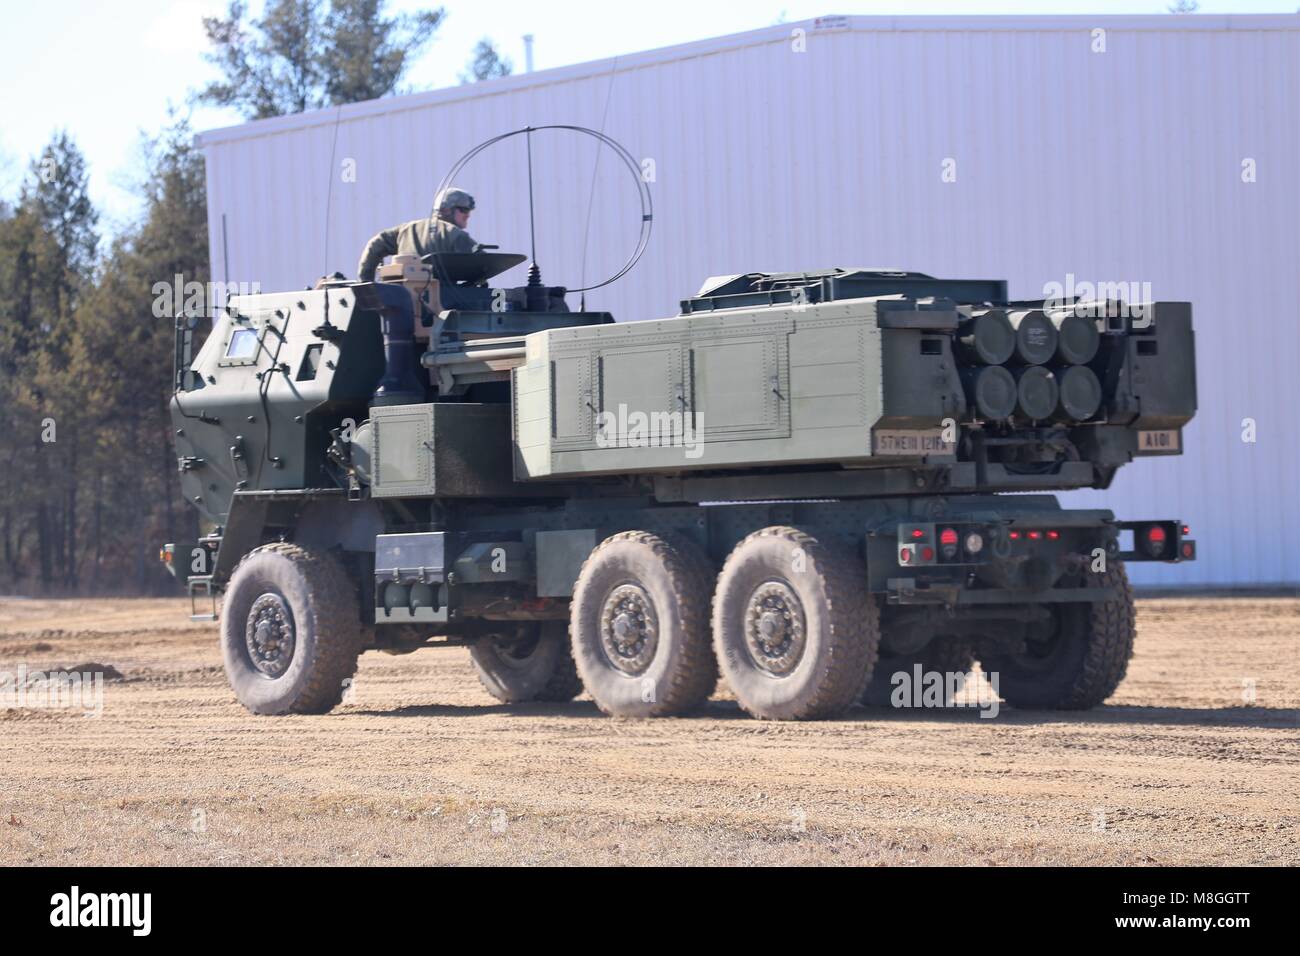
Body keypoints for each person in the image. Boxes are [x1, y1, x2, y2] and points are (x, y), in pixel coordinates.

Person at [355, 187, 479, 281]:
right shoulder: (455, 234)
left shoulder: (406, 229)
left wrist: (366, 283)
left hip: (404, 299)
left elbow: (375, 245)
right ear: (445, 210)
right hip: (443, 302)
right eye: (464, 210)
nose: (468, 214)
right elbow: (483, 264)